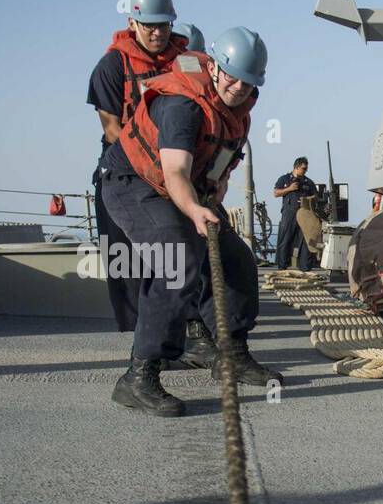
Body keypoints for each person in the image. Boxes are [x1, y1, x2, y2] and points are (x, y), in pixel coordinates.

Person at [100, 27, 281, 418]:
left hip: (184, 187)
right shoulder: (183, 106)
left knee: (236, 259)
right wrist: (196, 210)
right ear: (214, 68)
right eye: (230, 76)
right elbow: (176, 172)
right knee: (176, 257)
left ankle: (229, 353)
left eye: (247, 83)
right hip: (134, 183)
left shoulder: (239, 108)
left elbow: (220, 164)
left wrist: (213, 194)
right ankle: (138, 376)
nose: (237, 88)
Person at [86, 0, 216, 368]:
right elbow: (112, 128)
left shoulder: (188, 60)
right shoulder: (111, 67)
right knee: (131, 266)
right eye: (148, 25)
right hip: (127, 173)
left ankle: (188, 336)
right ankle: (149, 348)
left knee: (184, 256)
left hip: (177, 174)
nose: (157, 32)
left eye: (163, 24)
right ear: (132, 22)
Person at [273, 157, 317, 270]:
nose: (305, 171)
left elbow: (316, 197)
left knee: (305, 241)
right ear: (296, 167)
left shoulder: (308, 182)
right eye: (303, 168)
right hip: (289, 213)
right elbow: (276, 193)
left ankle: (305, 268)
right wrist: (289, 189)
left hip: (304, 214)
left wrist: (307, 199)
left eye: (306, 169)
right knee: (286, 239)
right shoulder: (284, 179)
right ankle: (282, 267)